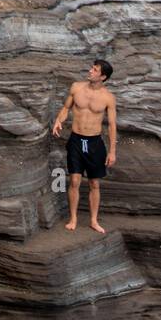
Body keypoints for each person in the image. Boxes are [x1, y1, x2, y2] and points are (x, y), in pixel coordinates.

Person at [51, 61, 118, 234]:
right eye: (92, 68)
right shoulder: (76, 87)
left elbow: (111, 125)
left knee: (94, 183)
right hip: (76, 140)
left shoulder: (108, 98)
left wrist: (112, 152)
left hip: (95, 143)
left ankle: (93, 221)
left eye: (95, 70)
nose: (90, 71)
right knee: (74, 181)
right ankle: (73, 219)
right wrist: (59, 120)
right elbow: (66, 108)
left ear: (103, 76)